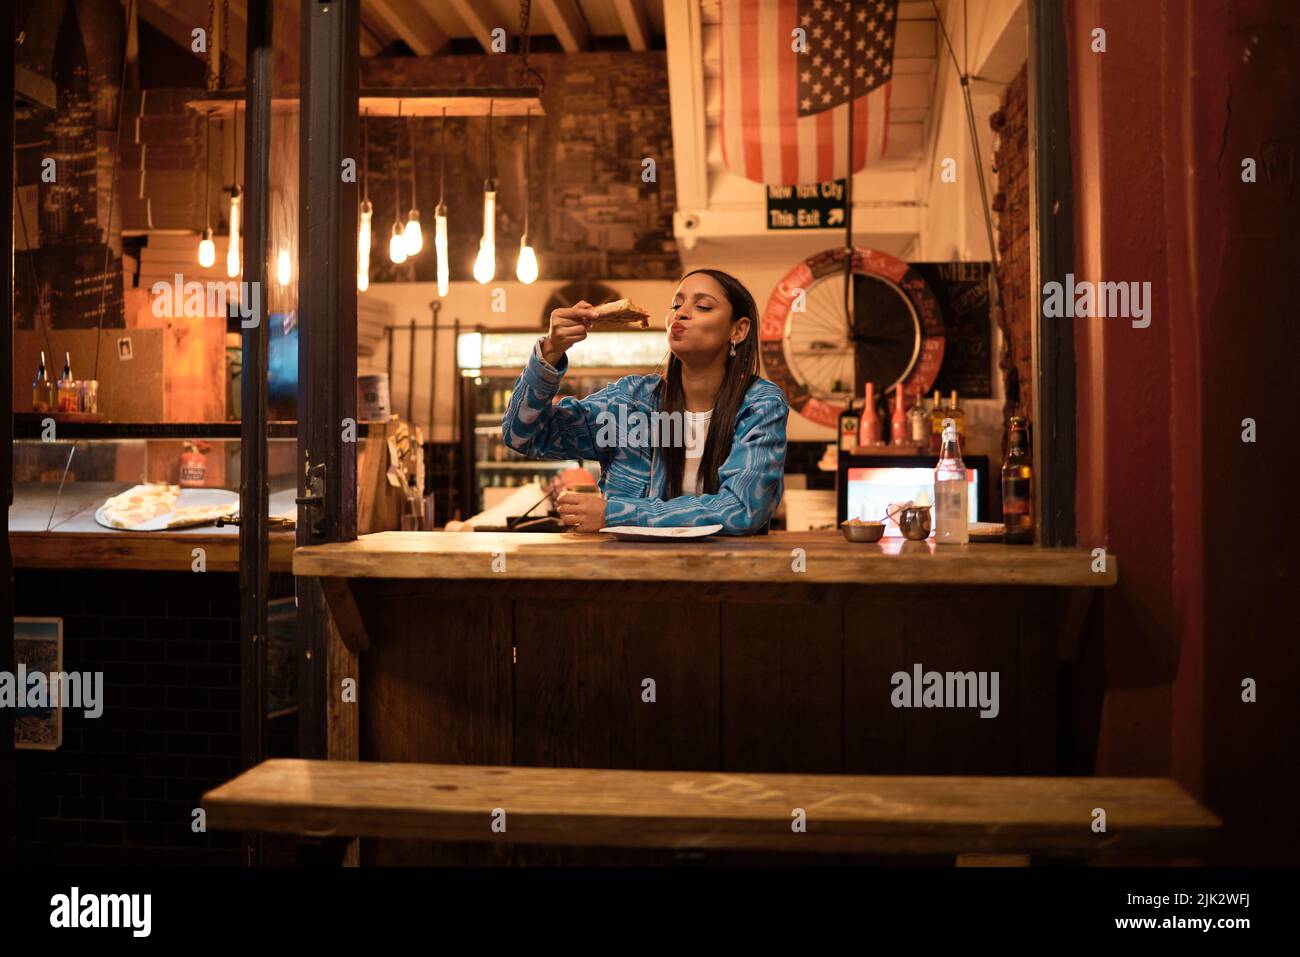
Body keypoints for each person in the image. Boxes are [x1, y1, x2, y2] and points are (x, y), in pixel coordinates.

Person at [502, 268, 789, 535]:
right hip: (634, 577)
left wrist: (615, 514)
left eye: (702, 306)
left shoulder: (760, 405)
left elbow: (742, 508)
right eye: (676, 306)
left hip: (726, 579)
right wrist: (550, 352)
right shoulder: (632, 402)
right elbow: (524, 435)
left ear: (738, 330)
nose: (682, 314)